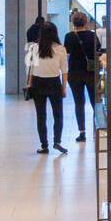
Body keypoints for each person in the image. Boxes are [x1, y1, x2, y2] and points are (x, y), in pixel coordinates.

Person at [26, 22, 68, 154]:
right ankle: (57, 142)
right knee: (58, 115)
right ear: (55, 33)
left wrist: (29, 84)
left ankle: (44, 145)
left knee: (41, 116)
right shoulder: (60, 49)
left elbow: (31, 69)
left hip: (38, 83)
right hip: (54, 83)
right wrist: (64, 87)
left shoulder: (34, 48)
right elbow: (64, 71)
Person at [64, 10, 101, 143]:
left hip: (75, 73)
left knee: (79, 102)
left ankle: (82, 132)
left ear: (73, 22)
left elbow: (67, 51)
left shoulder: (69, 36)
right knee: (94, 101)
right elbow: (99, 50)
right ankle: (99, 129)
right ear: (86, 22)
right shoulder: (92, 35)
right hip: (90, 72)